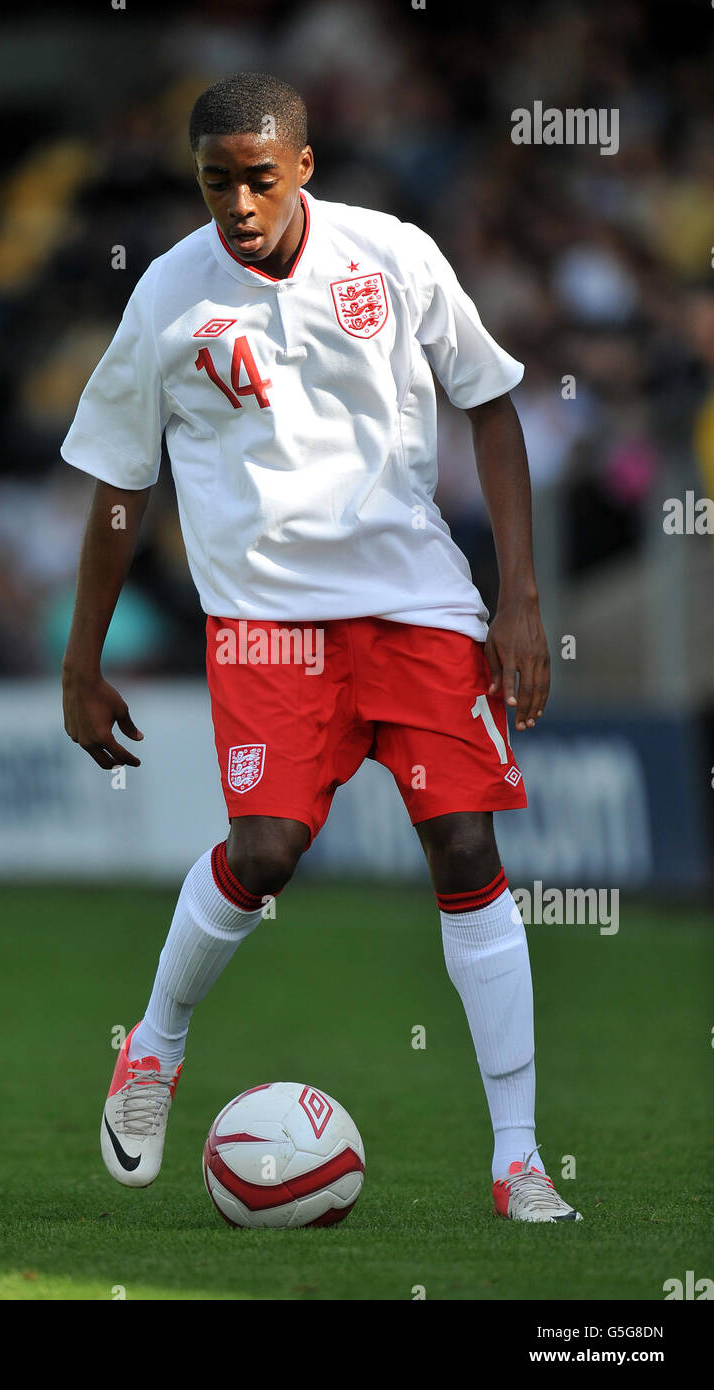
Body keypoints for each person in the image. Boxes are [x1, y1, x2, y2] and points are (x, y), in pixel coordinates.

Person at [61, 72, 580, 1222]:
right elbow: (118, 481)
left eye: (257, 178)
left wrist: (518, 596)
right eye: (215, 182)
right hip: (263, 620)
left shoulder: (391, 255)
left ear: (302, 165)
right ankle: (154, 1044)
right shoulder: (167, 295)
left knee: (463, 843)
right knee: (266, 852)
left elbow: (489, 402)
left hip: (416, 606)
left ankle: (517, 1159)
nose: (237, 204)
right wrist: (79, 659)